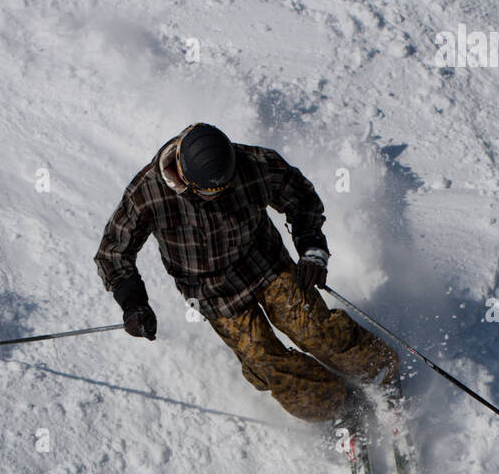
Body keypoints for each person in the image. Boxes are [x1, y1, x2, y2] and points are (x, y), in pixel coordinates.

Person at [94, 122, 398, 423]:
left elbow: (301, 199)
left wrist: (312, 250)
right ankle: (337, 405)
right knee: (266, 364)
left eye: (224, 188)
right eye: (211, 192)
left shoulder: (252, 163)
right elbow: (113, 253)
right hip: (213, 293)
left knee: (315, 329)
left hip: (266, 265)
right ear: (184, 179)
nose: (219, 197)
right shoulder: (147, 193)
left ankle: (382, 373)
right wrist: (133, 304)